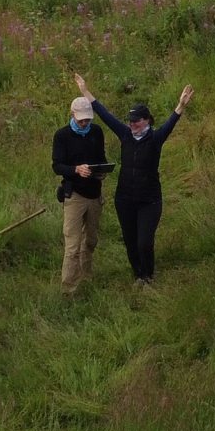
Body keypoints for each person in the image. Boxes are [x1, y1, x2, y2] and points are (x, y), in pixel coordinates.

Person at [73, 73, 192, 284]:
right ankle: (138, 274)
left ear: (147, 120)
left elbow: (170, 123)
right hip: (125, 199)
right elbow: (104, 114)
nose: (132, 124)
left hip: (149, 200)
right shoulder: (125, 134)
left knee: (144, 242)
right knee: (130, 241)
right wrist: (85, 90)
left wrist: (180, 106)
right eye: (130, 121)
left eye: (136, 121)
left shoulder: (155, 138)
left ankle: (148, 275)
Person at [51, 94, 108, 296]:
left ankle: (86, 276)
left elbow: (101, 158)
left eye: (87, 119)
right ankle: (69, 289)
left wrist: (101, 171)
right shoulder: (62, 136)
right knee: (72, 245)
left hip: (94, 193)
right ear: (72, 115)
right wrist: (76, 169)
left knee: (91, 240)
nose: (84, 123)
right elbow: (57, 166)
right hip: (74, 194)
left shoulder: (96, 132)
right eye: (81, 119)